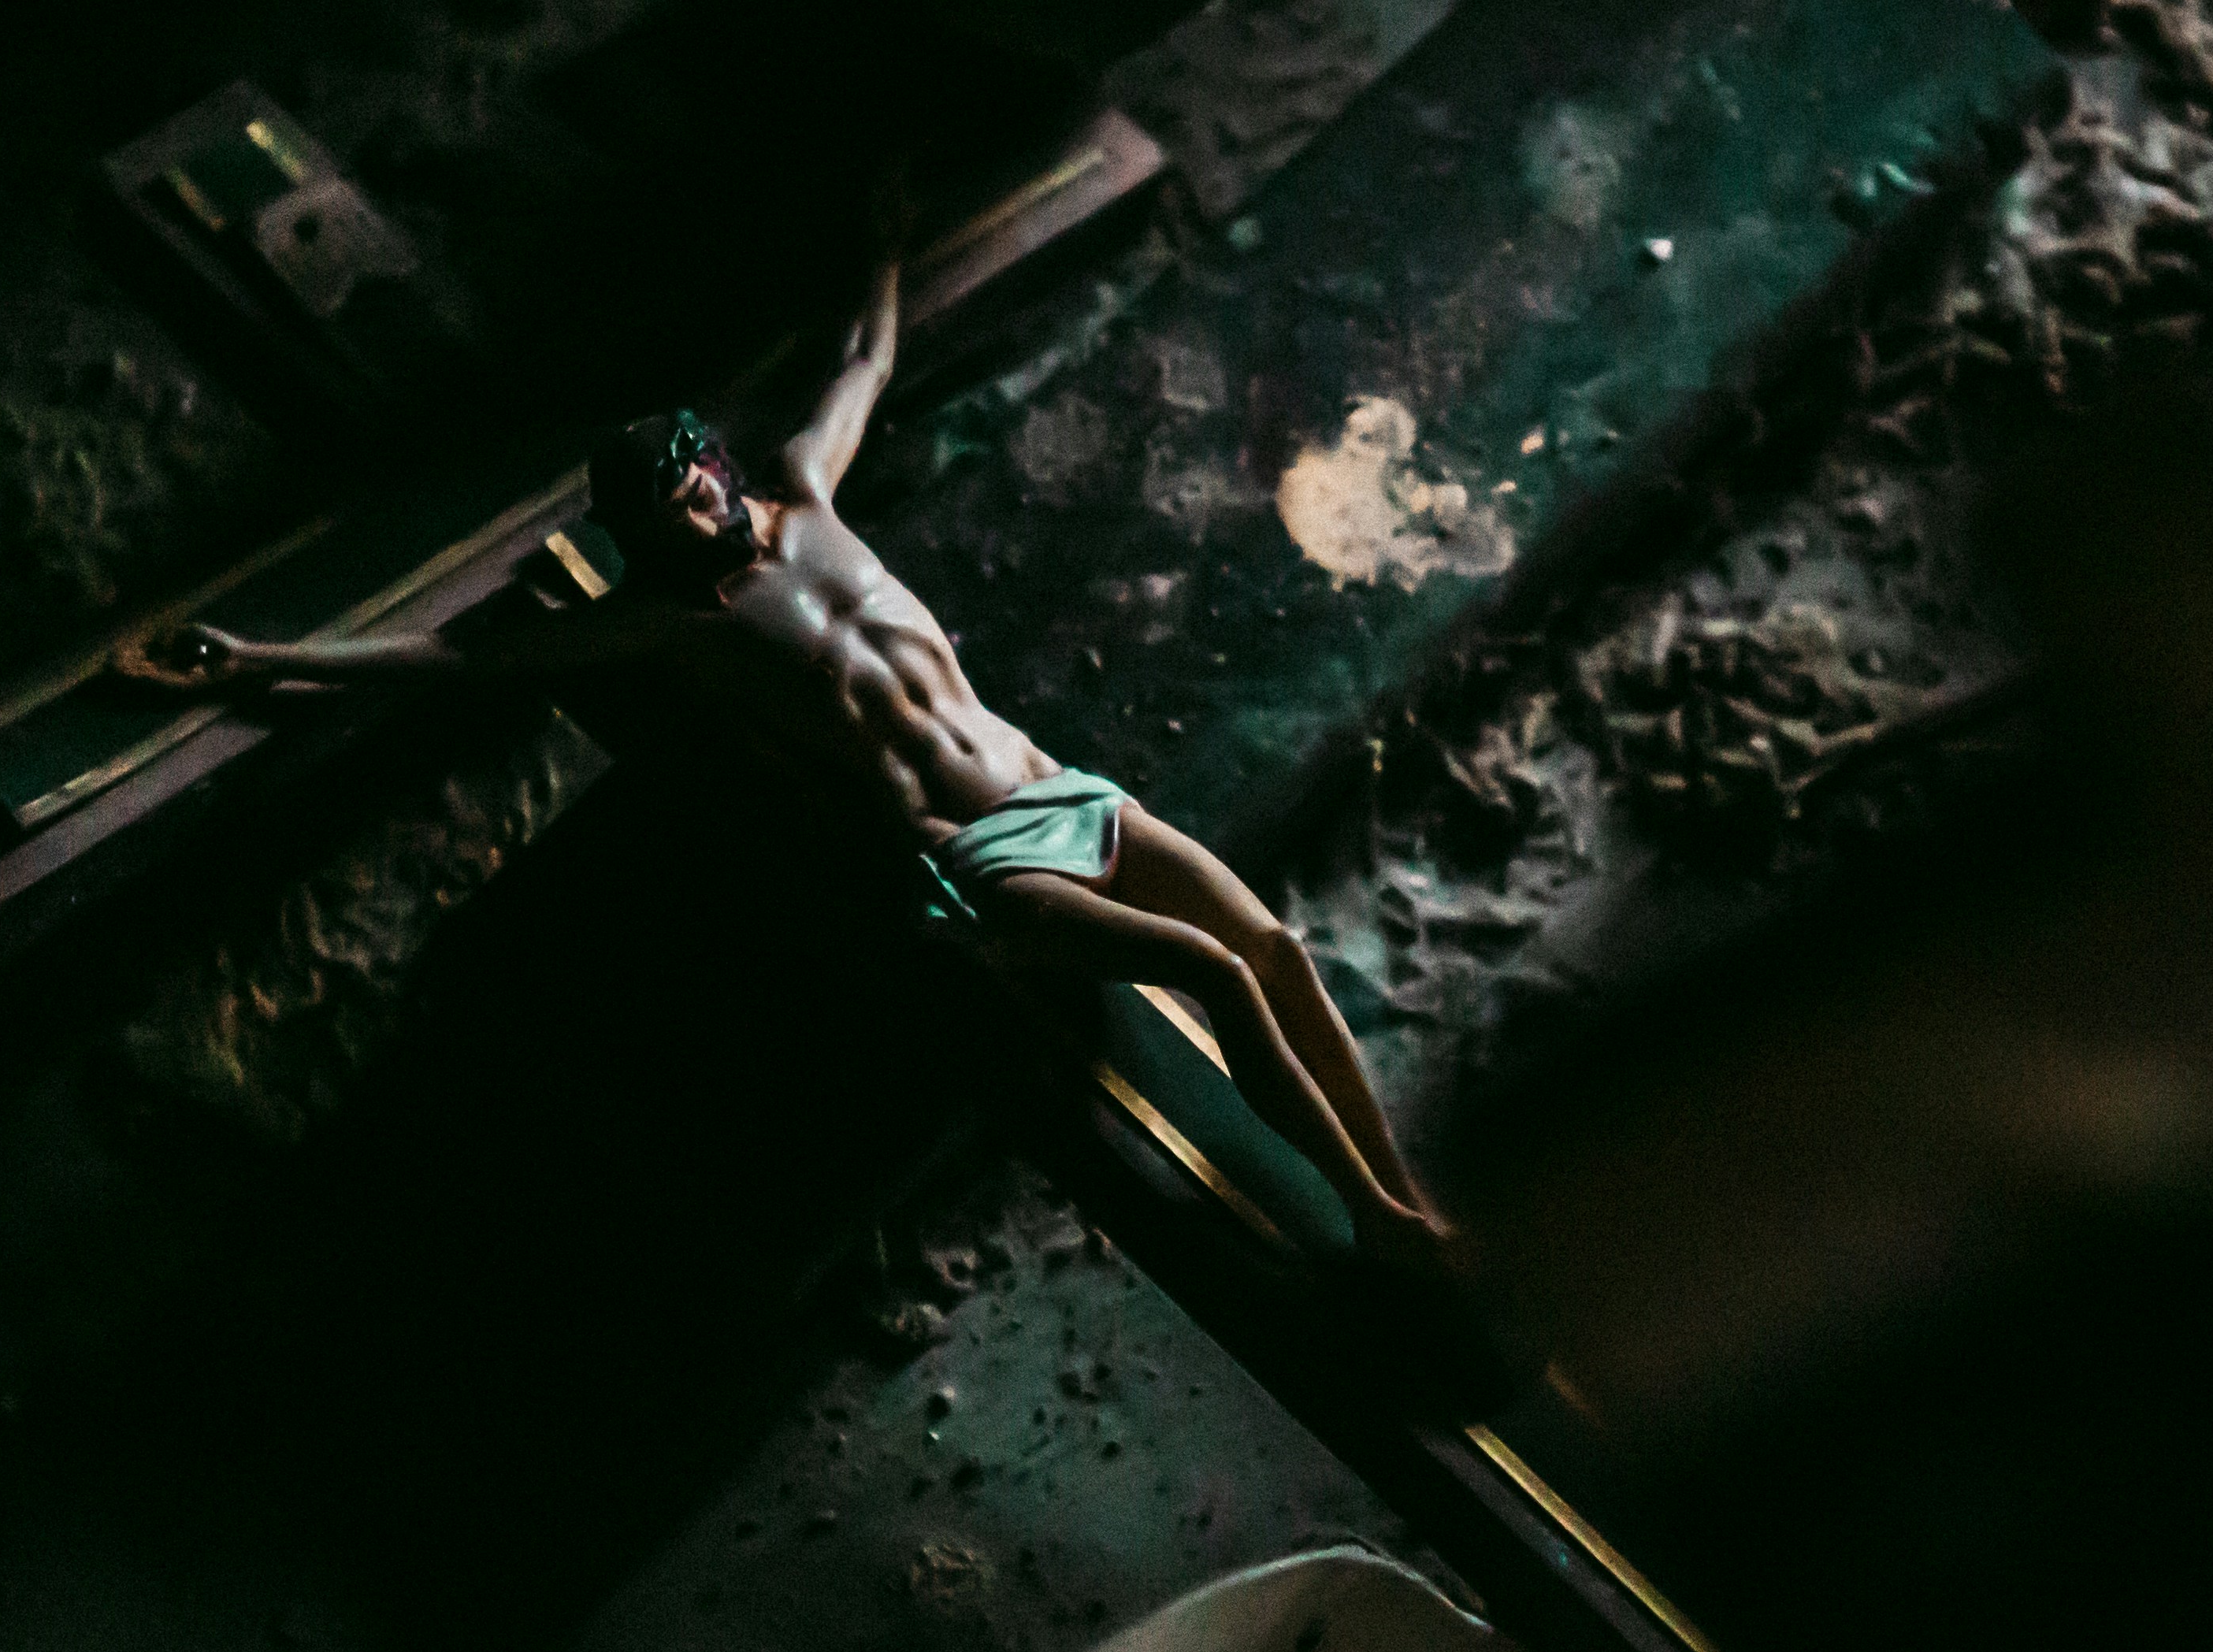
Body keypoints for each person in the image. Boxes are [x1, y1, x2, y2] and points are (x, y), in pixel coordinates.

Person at [124, 250, 1461, 1275]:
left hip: (1054, 784)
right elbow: (468, 659)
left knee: (1273, 947)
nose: (697, 506)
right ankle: (1372, 1221)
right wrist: (263, 660)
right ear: (649, 534)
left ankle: (1402, 1193)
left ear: (712, 459)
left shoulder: (810, 496)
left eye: (695, 480)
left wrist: (877, 233)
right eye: (670, 511)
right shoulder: (666, 620)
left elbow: (868, 355)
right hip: (971, 857)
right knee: (1217, 974)